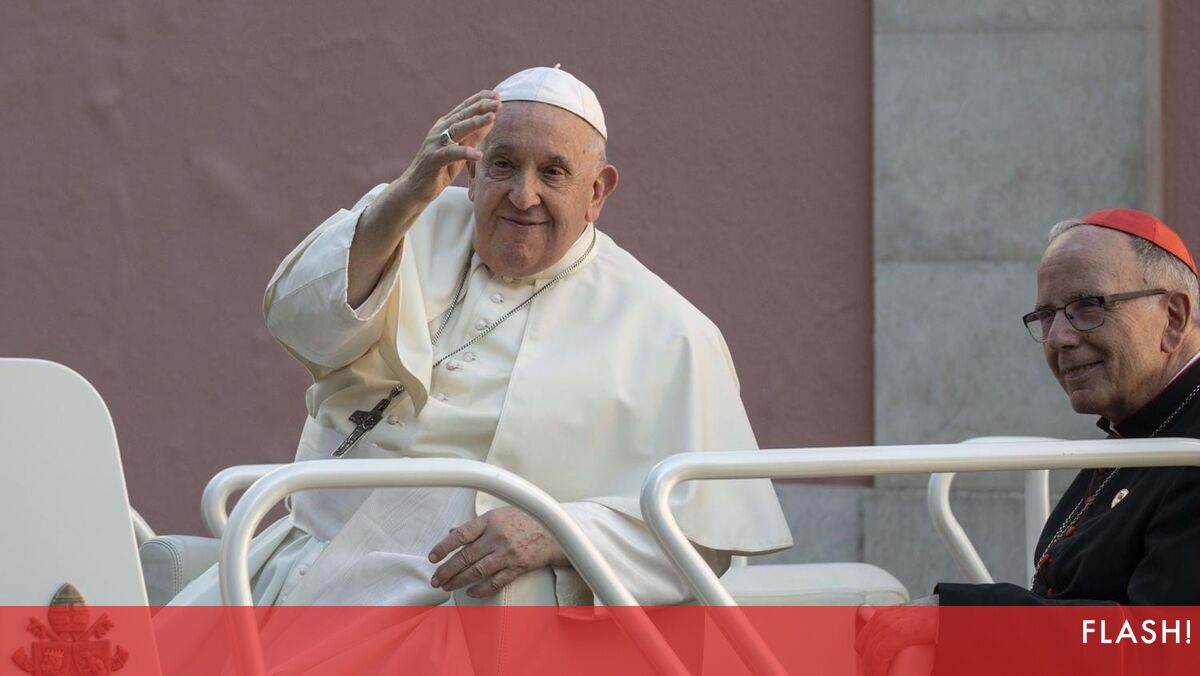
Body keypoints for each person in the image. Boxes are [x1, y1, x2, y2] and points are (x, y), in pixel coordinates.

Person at [168, 65, 791, 609]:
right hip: (301, 558)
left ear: (597, 192)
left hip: (451, 597)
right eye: (502, 165)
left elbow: (701, 538)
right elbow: (297, 322)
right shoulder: (411, 219)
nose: (523, 195)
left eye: (553, 173)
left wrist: (558, 531)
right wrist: (405, 193)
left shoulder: (670, 333)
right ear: (470, 171)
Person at [857, 209, 1200, 674]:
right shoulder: (1137, 426)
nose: (1058, 338)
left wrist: (960, 618)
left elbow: (1169, 646)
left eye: (1087, 307)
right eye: (1046, 316)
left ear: (1174, 318)